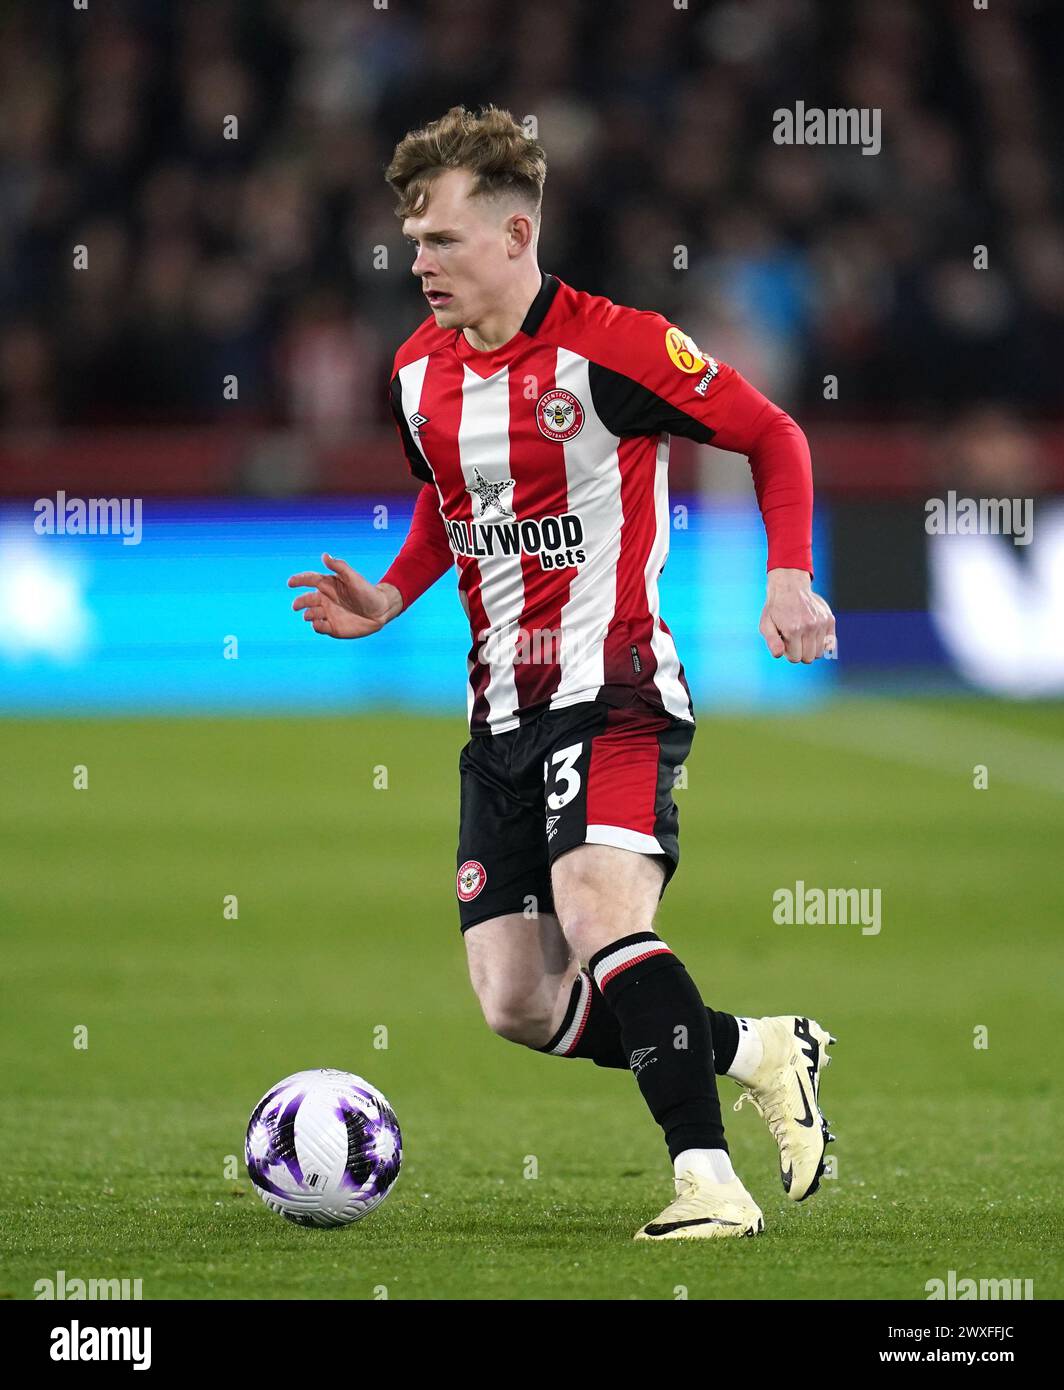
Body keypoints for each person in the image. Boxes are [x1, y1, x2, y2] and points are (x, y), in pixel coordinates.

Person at [289, 105, 837, 1240]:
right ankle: (756, 1047)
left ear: (513, 234)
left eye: (439, 239)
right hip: (500, 716)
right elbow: (455, 507)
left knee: (598, 913)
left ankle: (707, 1182)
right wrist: (391, 595)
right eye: (411, 241)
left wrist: (787, 574)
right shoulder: (412, 375)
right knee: (518, 1001)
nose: (419, 262)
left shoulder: (616, 348)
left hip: (616, 687)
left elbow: (772, 434)